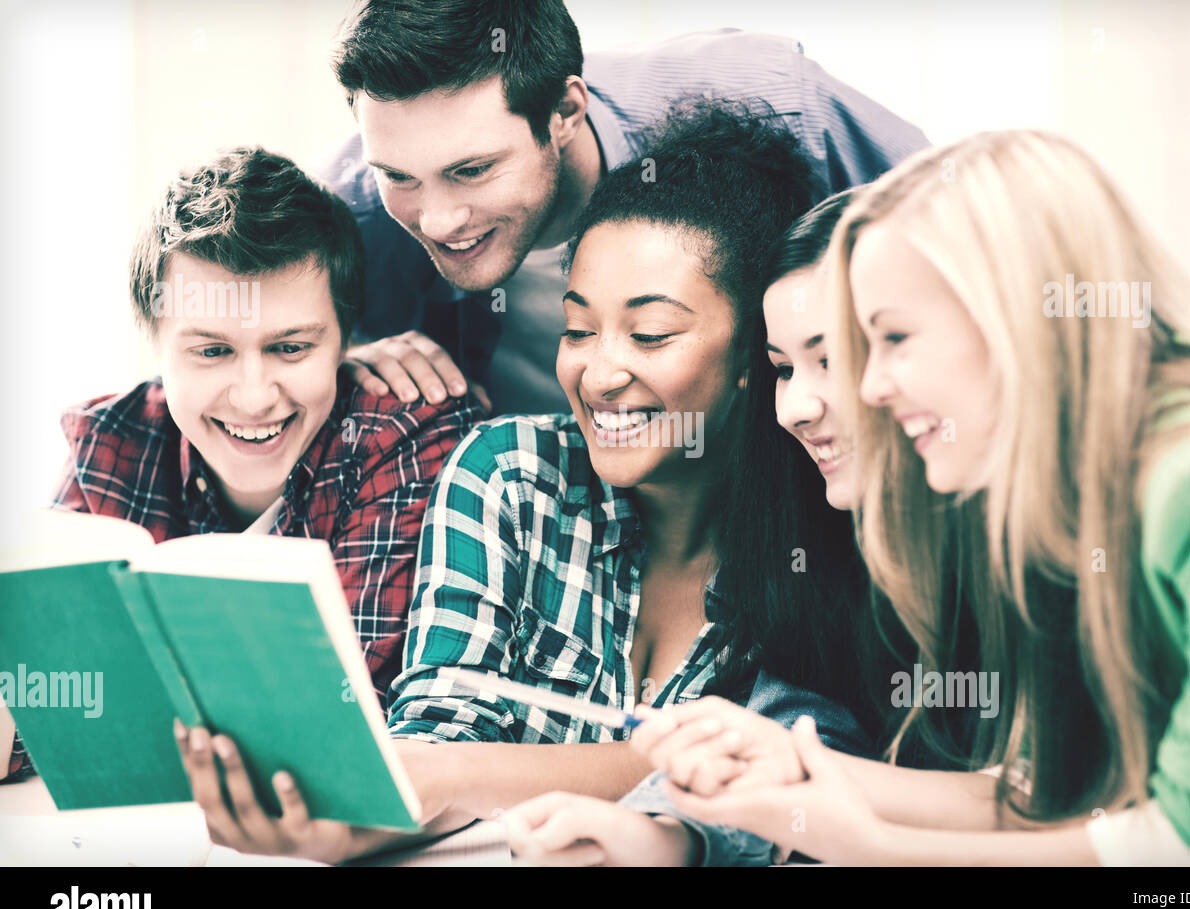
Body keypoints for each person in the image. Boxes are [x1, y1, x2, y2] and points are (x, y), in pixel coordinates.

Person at [573, 130, 1190, 866]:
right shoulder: (1044, 493)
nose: (874, 386)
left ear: (1008, 316)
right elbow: (1046, 794)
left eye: (889, 340)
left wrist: (876, 848)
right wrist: (786, 765)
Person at [173, 101, 870, 863]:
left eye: (650, 335)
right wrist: (340, 823)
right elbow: (438, 735)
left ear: (753, 356)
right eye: (578, 329)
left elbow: (787, 764)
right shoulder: (507, 476)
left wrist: (454, 776)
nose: (599, 374)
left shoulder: (826, 536)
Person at [502, 190, 979, 866]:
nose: (799, 407)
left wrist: (870, 842)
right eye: (786, 367)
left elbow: (1125, 830)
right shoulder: (839, 539)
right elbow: (814, 729)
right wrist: (664, 834)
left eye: (838, 357)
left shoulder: (1049, 542)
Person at [1, 147, 478, 783]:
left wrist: (108, 699)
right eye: (212, 351)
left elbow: (335, 722)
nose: (254, 397)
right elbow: (38, 704)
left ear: (348, 339)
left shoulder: (399, 438)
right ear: (155, 342)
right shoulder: (111, 440)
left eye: (290, 348)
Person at [322, 0, 929, 415]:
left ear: (565, 112)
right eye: (399, 177)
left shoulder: (775, 104)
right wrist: (333, 360)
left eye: (472, 171)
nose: (437, 219)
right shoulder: (351, 211)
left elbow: (972, 251)